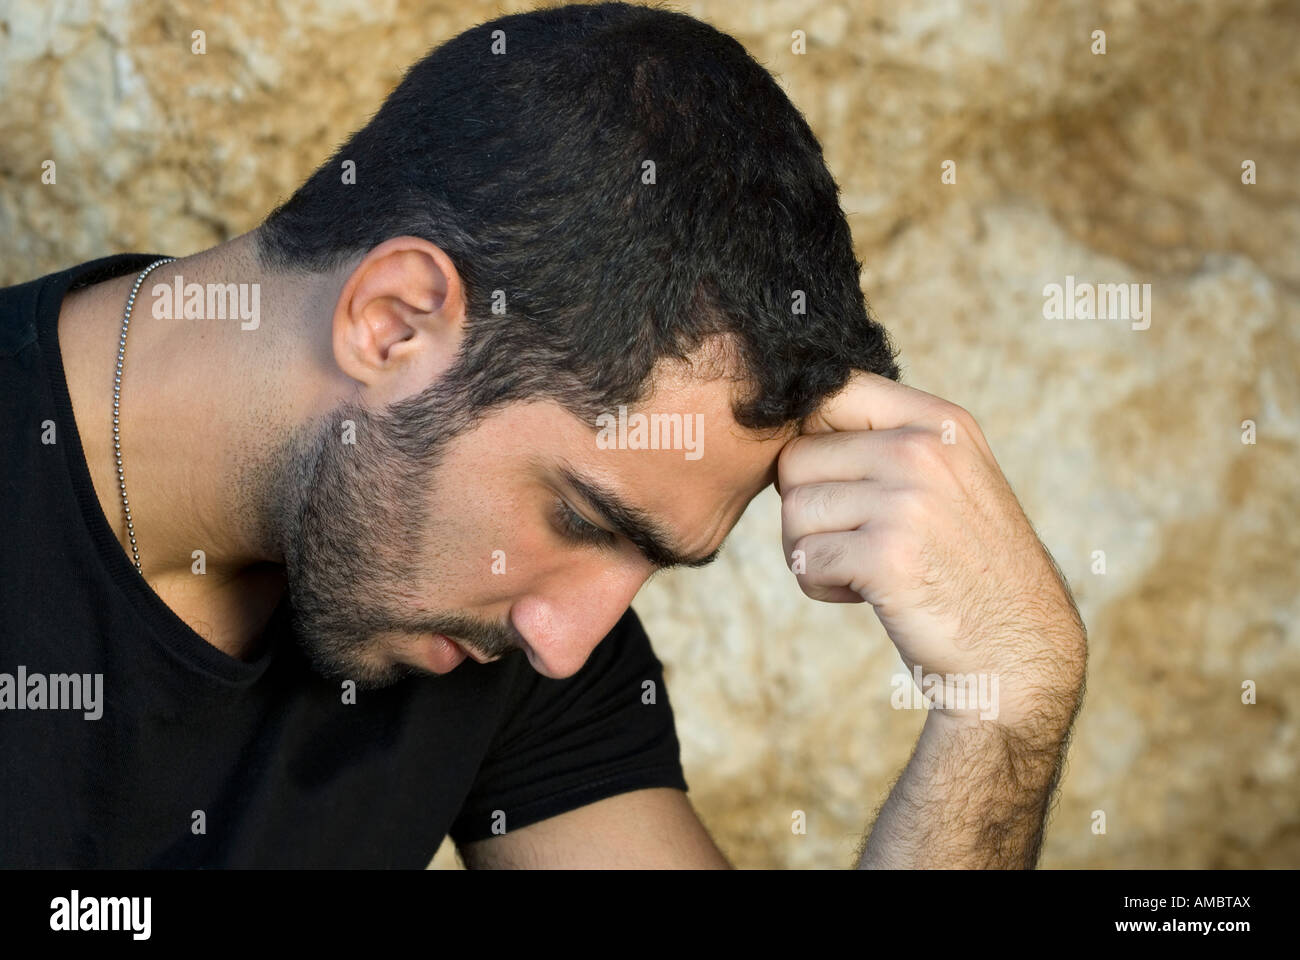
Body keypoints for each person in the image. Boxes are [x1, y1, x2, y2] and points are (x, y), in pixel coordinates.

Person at [0, 2, 1085, 868]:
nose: (567, 638)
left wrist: (1005, 710)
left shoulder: (518, 634)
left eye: (644, 560)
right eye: (579, 514)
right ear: (394, 322)